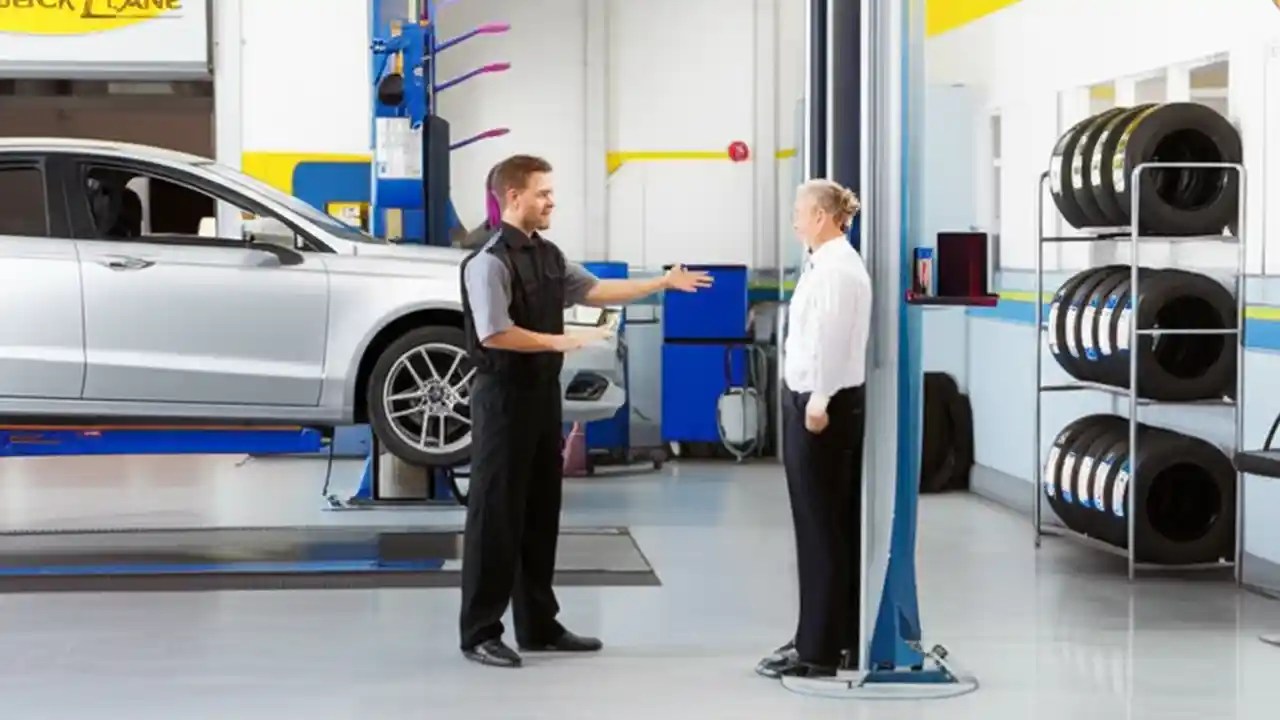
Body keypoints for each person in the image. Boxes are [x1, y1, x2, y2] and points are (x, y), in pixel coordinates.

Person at [458, 153, 713, 669]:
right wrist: (562, 340)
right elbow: (494, 332)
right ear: (513, 196)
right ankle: (481, 631)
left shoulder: (549, 255)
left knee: (539, 513)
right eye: (543, 193)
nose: (552, 201)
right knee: (495, 517)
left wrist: (660, 283)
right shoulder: (487, 260)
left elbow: (595, 288)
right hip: (502, 400)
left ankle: (538, 625)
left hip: (541, 398)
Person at [755, 178, 872, 679]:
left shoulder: (838, 272)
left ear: (822, 216)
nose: (795, 220)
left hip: (822, 407)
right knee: (818, 527)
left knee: (822, 528)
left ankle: (819, 651)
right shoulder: (824, 264)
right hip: (811, 401)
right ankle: (821, 635)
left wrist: (819, 400)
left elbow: (833, 340)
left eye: (800, 212)